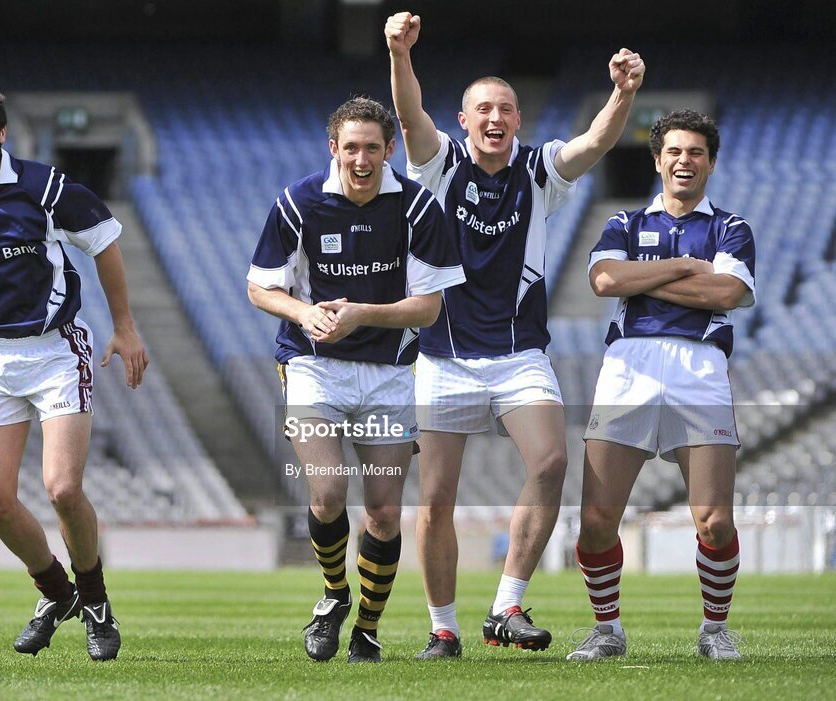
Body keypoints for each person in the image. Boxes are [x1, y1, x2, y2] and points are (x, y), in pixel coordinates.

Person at [385, 11, 645, 658]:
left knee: (552, 461)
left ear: (518, 120)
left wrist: (622, 94)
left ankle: (505, 606)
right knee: (437, 496)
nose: (495, 116)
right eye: (483, 108)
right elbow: (410, 116)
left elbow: (591, 144)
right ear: (465, 119)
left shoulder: (538, 172)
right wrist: (398, 53)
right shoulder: (439, 165)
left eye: (506, 107)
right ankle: (442, 627)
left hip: (518, 353)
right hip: (443, 355)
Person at [0, 78, 148, 661]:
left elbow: (106, 242)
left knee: (63, 488)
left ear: (2, 134)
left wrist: (125, 325)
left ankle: (95, 602)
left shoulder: (45, 187)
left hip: (56, 349)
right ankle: (55, 592)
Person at [247, 97, 465, 663]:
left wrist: (361, 313)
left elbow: (428, 309)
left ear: (390, 150)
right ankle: (333, 596)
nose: (361, 158)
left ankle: (367, 628)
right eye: (351, 147)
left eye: (373, 147)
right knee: (325, 493)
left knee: (386, 512)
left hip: (389, 374)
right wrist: (306, 314)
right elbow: (260, 286)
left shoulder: (417, 208)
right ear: (333, 149)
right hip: (312, 364)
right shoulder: (298, 202)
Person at [568, 109, 754, 661]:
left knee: (715, 521)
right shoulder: (623, 223)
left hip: (700, 369)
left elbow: (725, 295)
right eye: (674, 151)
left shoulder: (731, 227)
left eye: (695, 152)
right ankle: (607, 630)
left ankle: (715, 630)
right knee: (597, 519)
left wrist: (646, 280)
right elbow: (604, 279)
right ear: (657, 159)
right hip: (629, 366)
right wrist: (685, 267)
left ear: (711, 163)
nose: (684, 161)